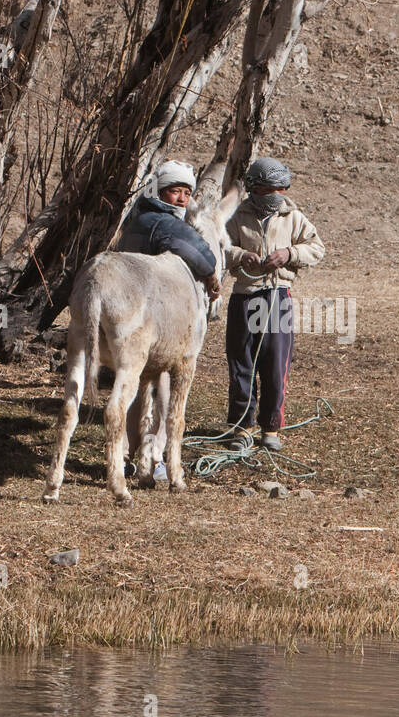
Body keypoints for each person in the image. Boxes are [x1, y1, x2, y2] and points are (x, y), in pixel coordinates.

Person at [115, 160, 221, 477]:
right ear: (160, 192)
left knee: (130, 385)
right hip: (158, 317)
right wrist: (212, 276)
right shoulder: (163, 223)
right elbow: (200, 255)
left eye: (186, 193)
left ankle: (128, 455)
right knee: (162, 385)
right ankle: (156, 455)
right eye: (175, 191)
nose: (181, 199)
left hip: (129, 314)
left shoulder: (136, 220)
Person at [222, 157, 325, 451]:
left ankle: (270, 428)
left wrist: (289, 254)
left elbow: (317, 247)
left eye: (281, 189)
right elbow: (221, 245)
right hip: (244, 294)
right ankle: (242, 427)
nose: (276, 195)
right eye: (269, 189)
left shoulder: (293, 217)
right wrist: (242, 255)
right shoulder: (237, 216)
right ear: (255, 188)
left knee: (275, 362)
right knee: (241, 360)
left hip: (278, 295)